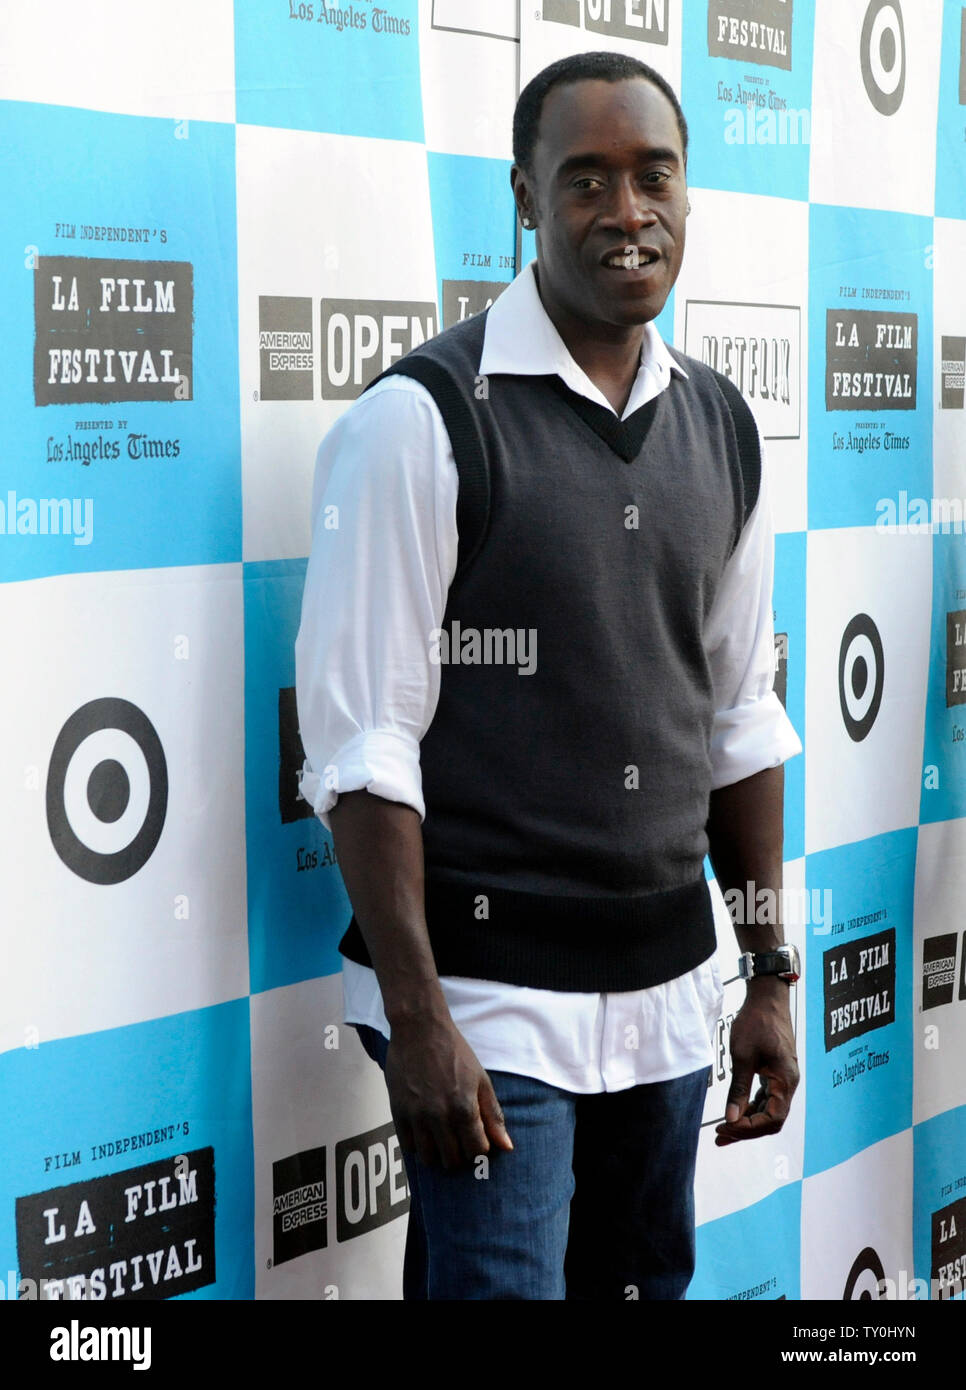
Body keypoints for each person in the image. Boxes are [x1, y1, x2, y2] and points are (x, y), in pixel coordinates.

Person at [295, 50, 803, 1301]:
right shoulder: (420, 421)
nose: (628, 213)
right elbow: (365, 748)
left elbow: (736, 722)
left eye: (655, 177)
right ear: (524, 199)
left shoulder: (727, 429)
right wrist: (420, 1020)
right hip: (489, 1005)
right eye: (585, 181)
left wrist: (770, 971)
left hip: (674, 993)